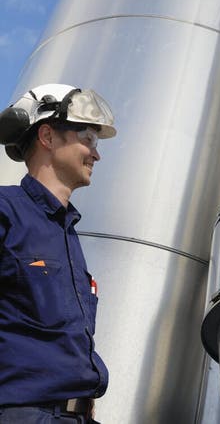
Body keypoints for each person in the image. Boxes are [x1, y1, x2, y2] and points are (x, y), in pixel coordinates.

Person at [0, 83, 117, 424]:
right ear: (48, 137)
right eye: (88, 140)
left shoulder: (67, 235)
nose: (96, 154)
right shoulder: (7, 211)